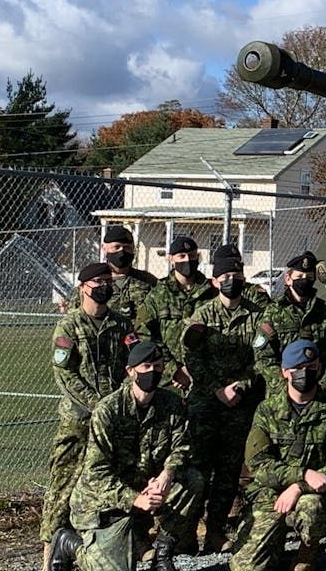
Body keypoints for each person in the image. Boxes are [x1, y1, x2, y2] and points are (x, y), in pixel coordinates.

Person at [49, 342, 202, 571]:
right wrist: (134, 499)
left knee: (192, 480)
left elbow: (182, 447)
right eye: (146, 367)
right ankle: (69, 543)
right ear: (131, 371)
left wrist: (167, 473)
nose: (152, 372)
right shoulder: (109, 411)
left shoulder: (171, 405)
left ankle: (162, 557)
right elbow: (96, 473)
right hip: (104, 504)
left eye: (157, 366)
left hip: (146, 491)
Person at [228, 340, 326, 571]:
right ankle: (275, 542)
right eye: (299, 368)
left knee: (312, 508)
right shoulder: (267, 410)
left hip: (314, 495)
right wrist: (302, 474)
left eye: (312, 366)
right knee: (244, 569)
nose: (306, 373)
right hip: (272, 494)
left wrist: (299, 486)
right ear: (286, 372)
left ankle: (309, 548)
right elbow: (259, 464)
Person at [40, 262, 136, 571]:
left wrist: (116, 403)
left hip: (114, 420)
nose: (104, 286)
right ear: (83, 286)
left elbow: (132, 365)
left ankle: (103, 548)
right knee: (64, 482)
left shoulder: (122, 325)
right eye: (98, 281)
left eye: (108, 281)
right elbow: (64, 373)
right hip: (79, 420)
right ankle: (49, 553)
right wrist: (97, 404)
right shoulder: (69, 326)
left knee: (110, 479)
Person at [182, 245, 267, 553]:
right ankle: (188, 532)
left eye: (237, 274)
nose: (232, 280)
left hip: (240, 405)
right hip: (206, 404)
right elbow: (192, 358)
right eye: (225, 276)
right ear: (215, 281)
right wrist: (218, 388)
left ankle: (216, 531)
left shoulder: (258, 317)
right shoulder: (201, 316)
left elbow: (262, 357)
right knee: (199, 469)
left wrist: (240, 385)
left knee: (229, 472)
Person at [252, 252, 326, 400]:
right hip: (282, 395)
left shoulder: (325, 312)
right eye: (299, 277)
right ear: (288, 279)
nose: (304, 281)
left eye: (309, 278)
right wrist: (285, 386)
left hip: (320, 392)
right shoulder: (273, 313)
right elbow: (264, 356)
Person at [135, 235, 215, 390]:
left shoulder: (211, 293)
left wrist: (195, 369)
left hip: (206, 376)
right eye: (182, 256)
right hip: (169, 380)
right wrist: (174, 370)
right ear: (171, 259)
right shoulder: (158, 294)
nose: (187, 260)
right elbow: (145, 333)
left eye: (192, 256)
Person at [72, 224, 156, 325]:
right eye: (116, 247)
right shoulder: (93, 282)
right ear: (104, 248)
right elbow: (74, 316)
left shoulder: (148, 281)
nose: (122, 251)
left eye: (127, 247)